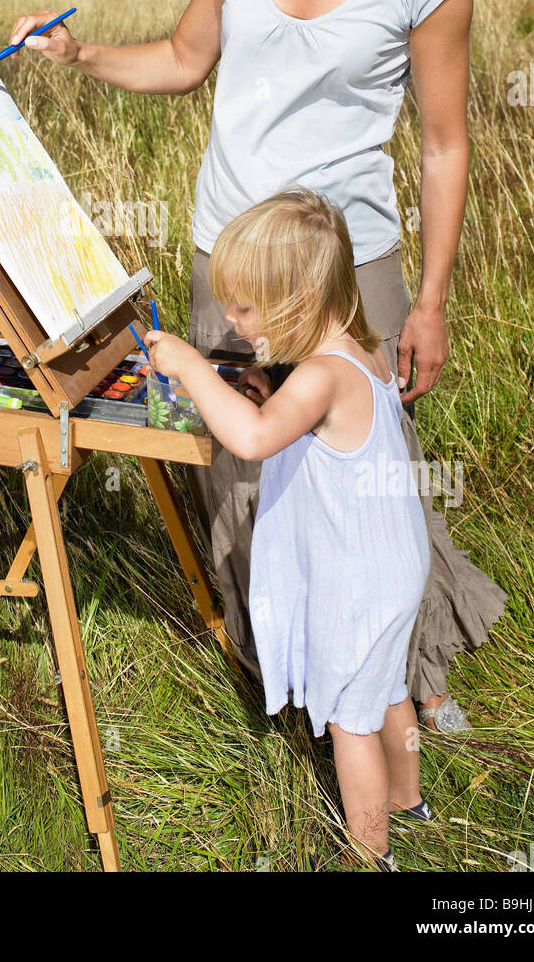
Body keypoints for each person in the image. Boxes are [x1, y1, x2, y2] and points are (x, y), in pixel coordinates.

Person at [9, 0, 507, 732]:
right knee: (243, 470)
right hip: (232, 259)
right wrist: (81, 56)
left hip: (349, 269)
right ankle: (287, 661)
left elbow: (448, 143)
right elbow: (188, 61)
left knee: (367, 479)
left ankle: (412, 674)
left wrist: (435, 301)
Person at [143, 187, 432, 872]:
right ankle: (409, 800)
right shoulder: (356, 355)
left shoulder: (320, 377)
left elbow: (249, 440)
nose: (234, 321)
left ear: (299, 303)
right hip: (390, 567)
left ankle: (371, 855)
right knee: (386, 688)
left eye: (244, 307)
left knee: (347, 720)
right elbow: (304, 427)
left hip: (358, 581)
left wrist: (188, 365)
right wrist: (268, 389)